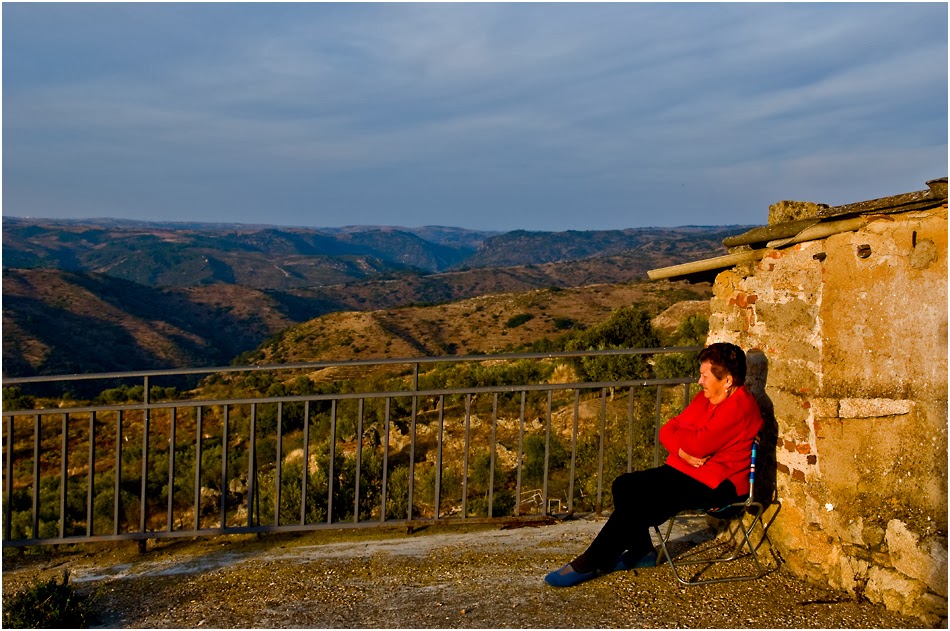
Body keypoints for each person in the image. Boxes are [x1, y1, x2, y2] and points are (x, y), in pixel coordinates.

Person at [544, 342, 763, 587]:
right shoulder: (705, 399)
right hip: (688, 471)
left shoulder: (740, 407)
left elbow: (698, 445)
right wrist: (682, 451)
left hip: (720, 486)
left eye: (705, 376)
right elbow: (667, 430)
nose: (699, 381)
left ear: (727, 380)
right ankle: (642, 552)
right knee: (624, 485)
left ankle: (593, 561)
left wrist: (687, 443)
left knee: (640, 504)